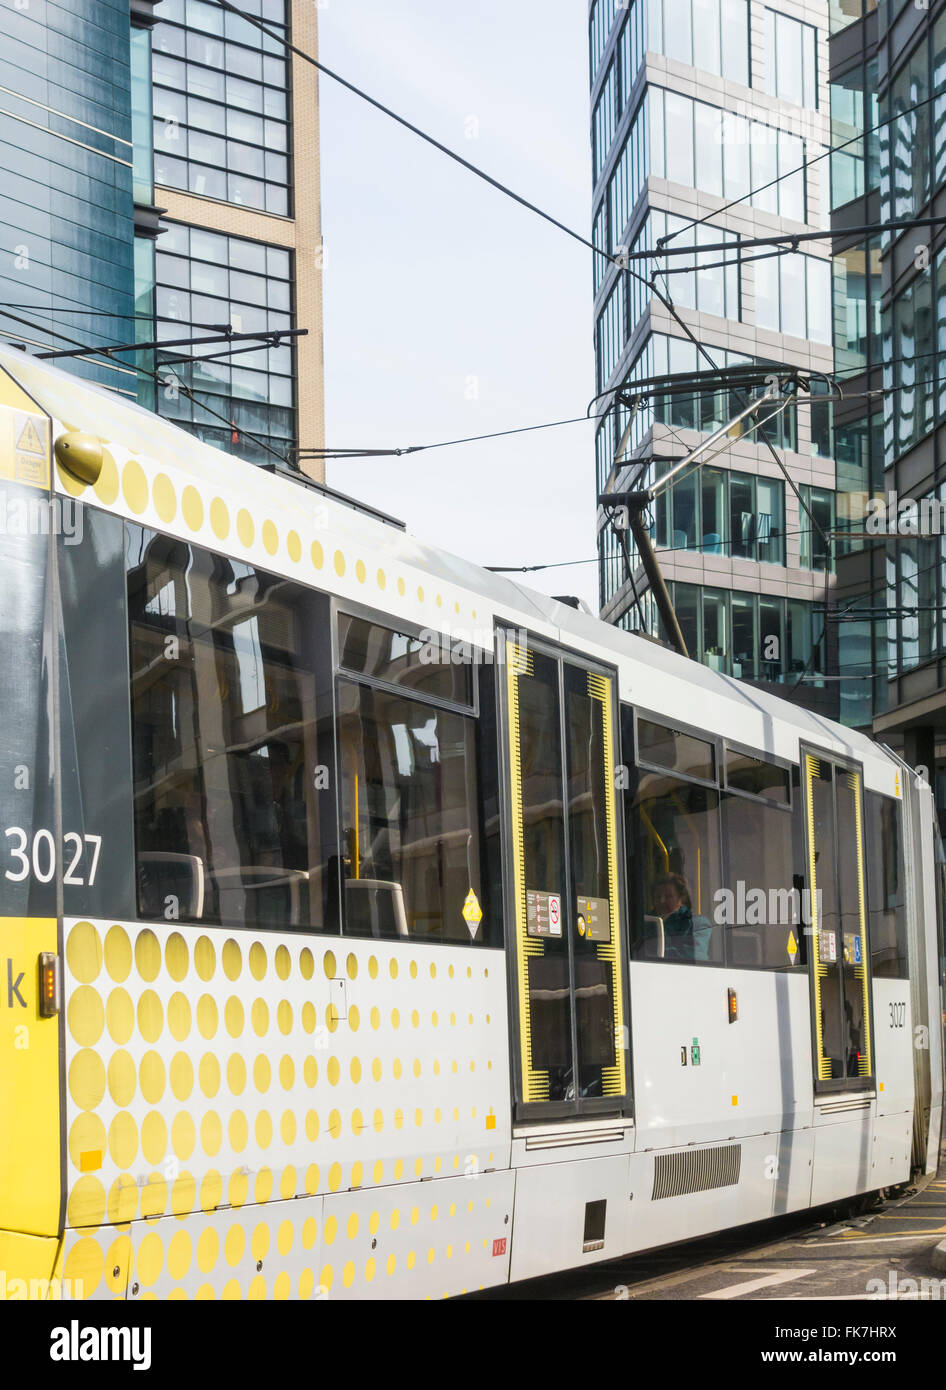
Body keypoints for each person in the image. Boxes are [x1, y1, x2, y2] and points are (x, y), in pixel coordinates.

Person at [651, 873, 713, 961]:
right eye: (658, 897)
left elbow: (696, 956)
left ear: (681, 899)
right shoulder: (643, 922)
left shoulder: (697, 923)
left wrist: (651, 950)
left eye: (669, 896)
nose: (662, 901)